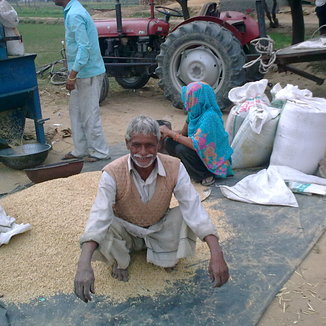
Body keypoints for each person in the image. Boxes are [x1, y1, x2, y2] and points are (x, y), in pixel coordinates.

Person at [74, 116, 229, 303]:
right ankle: (120, 261)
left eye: (150, 145)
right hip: (125, 230)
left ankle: (165, 254)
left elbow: (193, 207)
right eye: (136, 145)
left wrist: (216, 252)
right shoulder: (112, 172)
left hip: (158, 227)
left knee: (184, 215)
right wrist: (84, 263)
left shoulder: (175, 166)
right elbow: (100, 213)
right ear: (127, 144)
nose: (143, 152)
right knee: (104, 226)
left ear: (159, 144)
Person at [54, 0, 110, 162]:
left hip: (87, 73)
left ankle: (100, 152)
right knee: (76, 111)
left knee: (89, 114)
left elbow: (84, 48)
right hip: (81, 72)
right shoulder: (73, 12)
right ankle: (80, 149)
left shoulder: (75, 14)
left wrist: (72, 75)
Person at [160, 81, 233, 187]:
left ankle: (206, 175)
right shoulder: (194, 113)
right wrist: (167, 133)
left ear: (199, 99)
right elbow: (183, 133)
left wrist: (170, 132)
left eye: (190, 98)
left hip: (212, 158)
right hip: (200, 152)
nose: (187, 102)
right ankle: (188, 170)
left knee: (182, 149)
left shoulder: (210, 117)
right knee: (170, 142)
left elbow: (196, 144)